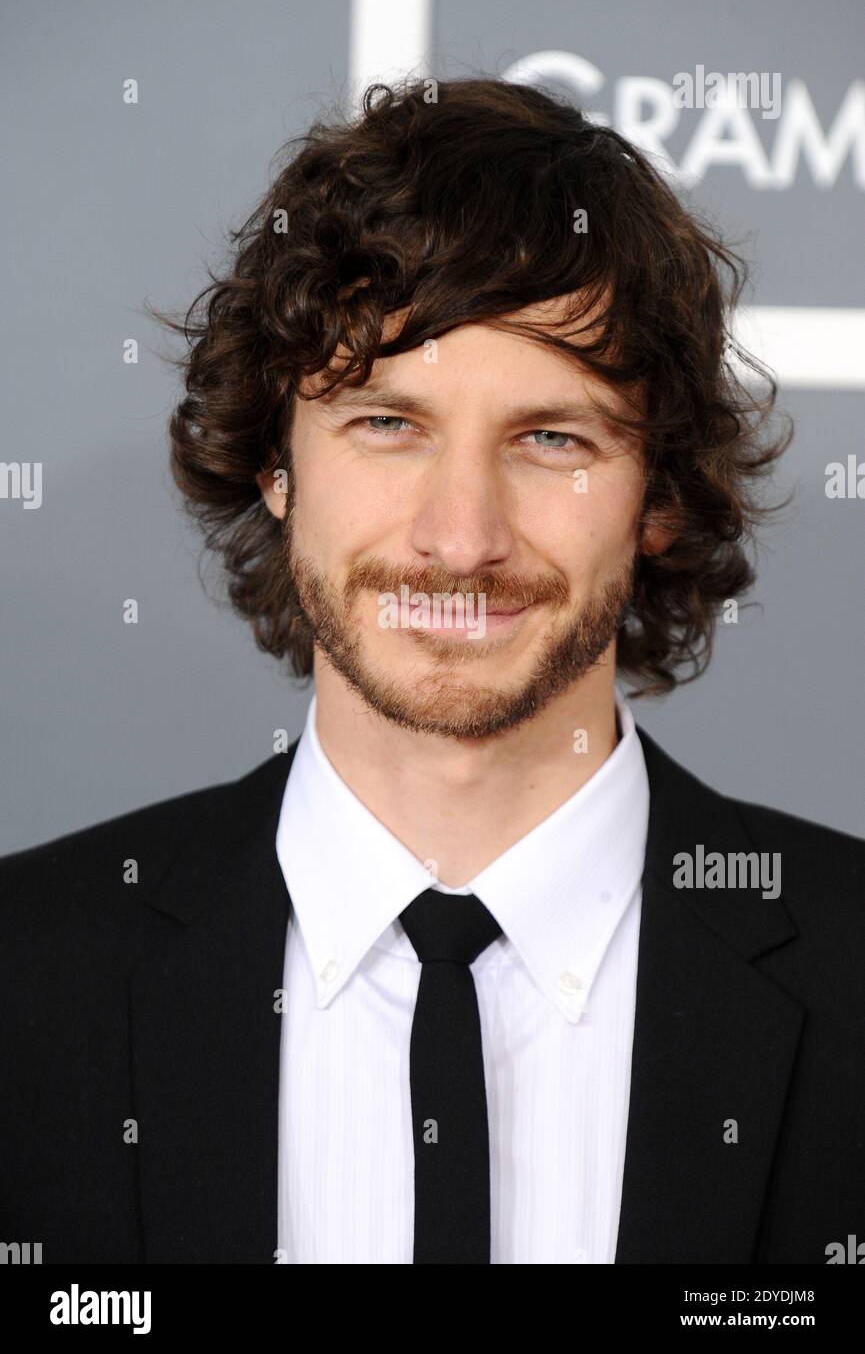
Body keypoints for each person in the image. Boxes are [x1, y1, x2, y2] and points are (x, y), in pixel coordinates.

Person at [1, 77, 863, 1266]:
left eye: (551, 437)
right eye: (386, 424)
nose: (460, 538)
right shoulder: (28, 981)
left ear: (657, 494)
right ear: (274, 466)